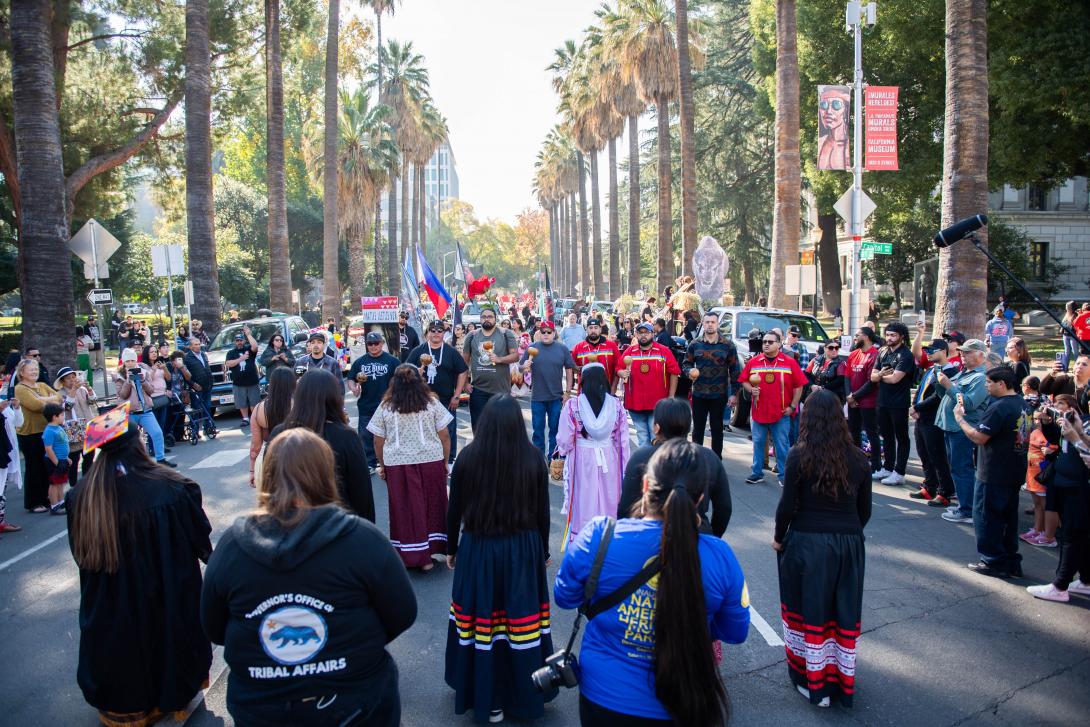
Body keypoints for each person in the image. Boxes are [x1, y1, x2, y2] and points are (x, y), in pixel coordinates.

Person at [201, 428, 416, 726]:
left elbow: (213, 626)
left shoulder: (233, 546)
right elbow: (401, 612)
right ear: (326, 474)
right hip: (355, 701)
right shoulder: (362, 539)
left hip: (262, 705)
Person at [554, 440, 750, 726]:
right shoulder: (720, 557)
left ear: (645, 486)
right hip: (684, 699)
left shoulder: (599, 536)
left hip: (604, 697)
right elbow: (735, 630)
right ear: (699, 500)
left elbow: (564, 596)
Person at [66, 416, 212, 727]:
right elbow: (200, 539)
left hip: (110, 596)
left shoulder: (81, 496)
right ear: (137, 443)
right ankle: (172, 695)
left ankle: (129, 705)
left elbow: (80, 555)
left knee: (124, 641)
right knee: (165, 636)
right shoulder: (171, 487)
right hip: (166, 586)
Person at [444, 395, 554, 724]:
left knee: (484, 627)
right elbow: (542, 513)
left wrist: (452, 548)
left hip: (479, 550)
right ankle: (523, 698)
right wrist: (544, 552)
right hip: (522, 550)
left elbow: (454, 510)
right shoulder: (533, 458)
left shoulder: (467, 458)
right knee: (519, 626)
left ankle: (488, 700)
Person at [774, 389, 872, 708]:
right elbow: (864, 510)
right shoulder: (859, 458)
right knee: (840, 611)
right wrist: (849, 534)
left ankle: (811, 681)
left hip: (807, 541)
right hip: (849, 543)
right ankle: (839, 680)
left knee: (807, 610)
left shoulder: (799, 455)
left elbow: (787, 505)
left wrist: (779, 536)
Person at [367, 365, 452, 570]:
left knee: (405, 508)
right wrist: (445, 461)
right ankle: (431, 551)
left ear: (393, 382)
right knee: (431, 504)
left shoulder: (386, 406)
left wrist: (382, 464)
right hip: (430, 459)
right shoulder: (431, 403)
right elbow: (445, 436)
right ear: (419, 381)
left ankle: (413, 554)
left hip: (398, 462)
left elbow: (378, 440)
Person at [952, 366, 1032, 578]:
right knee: (1008, 518)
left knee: (987, 517)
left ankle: (993, 560)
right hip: (1014, 469)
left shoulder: (1000, 407)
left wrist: (960, 419)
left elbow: (979, 437)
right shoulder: (1023, 404)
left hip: (994, 471)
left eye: (989, 382)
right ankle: (1010, 559)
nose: (986, 386)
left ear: (1002, 384)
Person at [271, 369, 375, 522]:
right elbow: (361, 492)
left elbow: (270, 485)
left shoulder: (279, 432)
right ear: (334, 398)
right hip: (337, 525)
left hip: (289, 525)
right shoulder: (346, 436)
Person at [618, 398, 732, 536]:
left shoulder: (641, 457)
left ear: (656, 427)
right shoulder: (709, 457)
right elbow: (724, 508)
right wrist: (712, 538)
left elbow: (625, 508)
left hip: (648, 535)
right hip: (698, 533)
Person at [557, 364, 631, 545]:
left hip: (582, 456)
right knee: (609, 495)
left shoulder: (573, 405)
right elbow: (623, 441)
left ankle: (583, 539)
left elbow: (565, 439)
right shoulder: (616, 406)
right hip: (608, 456)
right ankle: (608, 537)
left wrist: (562, 452)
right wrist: (625, 465)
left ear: (583, 381)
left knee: (584, 497)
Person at [1025, 410, 1090, 601]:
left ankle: (1060, 586)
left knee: (1072, 535)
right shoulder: (1084, 419)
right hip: (1070, 484)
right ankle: (1086, 580)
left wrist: (1076, 437)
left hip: (1080, 487)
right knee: (1080, 536)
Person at [739, 330, 807, 487]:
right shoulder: (754, 362)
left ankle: (784, 475)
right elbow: (744, 380)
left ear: (779, 344)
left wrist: (792, 406)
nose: (766, 344)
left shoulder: (789, 362)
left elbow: (799, 386)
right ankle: (757, 472)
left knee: (782, 446)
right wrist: (750, 389)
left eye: (770, 342)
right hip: (759, 412)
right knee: (758, 443)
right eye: (764, 342)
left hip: (781, 413)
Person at [936, 340, 991, 524]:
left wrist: (948, 385)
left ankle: (967, 510)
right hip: (952, 426)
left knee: (962, 469)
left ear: (981, 355)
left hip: (963, 428)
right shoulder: (965, 372)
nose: (963, 355)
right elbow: (945, 394)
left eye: (968, 353)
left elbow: (968, 403)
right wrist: (940, 382)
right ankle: (965, 505)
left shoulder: (981, 377)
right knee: (958, 468)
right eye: (962, 352)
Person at [406, 320, 469, 464]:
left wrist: (457, 395)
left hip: (446, 400)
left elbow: (463, 371)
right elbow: (406, 370)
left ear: (444, 333)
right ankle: (426, 459)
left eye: (439, 330)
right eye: (432, 330)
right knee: (423, 431)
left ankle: (450, 461)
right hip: (421, 400)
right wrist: (417, 372)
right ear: (427, 332)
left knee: (448, 432)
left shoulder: (450, 351)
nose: (436, 333)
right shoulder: (418, 350)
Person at [683, 311, 740, 459]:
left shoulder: (728, 345)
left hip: (719, 394)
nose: (710, 325)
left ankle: (716, 460)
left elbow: (735, 370)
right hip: (699, 393)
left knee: (717, 428)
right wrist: (689, 371)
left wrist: (734, 393)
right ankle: (697, 459)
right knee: (698, 429)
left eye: (712, 322)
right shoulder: (695, 344)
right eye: (707, 322)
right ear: (703, 323)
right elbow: (685, 363)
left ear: (717, 324)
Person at [908, 340, 957, 507]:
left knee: (937, 456)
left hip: (934, 418)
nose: (928, 353)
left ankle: (945, 491)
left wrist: (918, 407)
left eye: (932, 350)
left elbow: (938, 396)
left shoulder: (950, 371)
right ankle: (929, 486)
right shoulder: (930, 369)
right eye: (926, 350)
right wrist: (914, 405)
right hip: (922, 417)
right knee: (924, 453)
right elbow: (920, 389)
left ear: (943, 351)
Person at [616, 322, 681, 447]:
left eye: (646, 332)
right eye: (640, 333)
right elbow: (618, 368)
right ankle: (646, 465)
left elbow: (674, 372)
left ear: (653, 334)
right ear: (636, 335)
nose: (643, 335)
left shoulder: (663, 351)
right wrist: (622, 372)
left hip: (658, 404)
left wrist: (671, 396)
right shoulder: (630, 351)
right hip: (635, 402)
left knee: (655, 436)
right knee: (642, 437)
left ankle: (655, 464)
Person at [519, 320, 575, 461]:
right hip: (537, 397)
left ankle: (553, 459)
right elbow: (520, 369)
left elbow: (569, 369)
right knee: (537, 431)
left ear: (554, 333)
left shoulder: (562, 349)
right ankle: (538, 460)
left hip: (556, 397)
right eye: (542, 331)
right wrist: (524, 366)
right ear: (539, 333)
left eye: (548, 331)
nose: (545, 334)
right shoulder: (532, 348)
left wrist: (568, 392)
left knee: (555, 430)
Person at [14, 357, 62, 512]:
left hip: (46, 431)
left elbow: (60, 398)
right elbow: (37, 406)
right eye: (31, 369)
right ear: (21, 372)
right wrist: (49, 400)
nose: (35, 372)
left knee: (46, 466)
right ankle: (34, 502)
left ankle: (47, 498)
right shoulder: (20, 389)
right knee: (34, 467)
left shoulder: (41, 385)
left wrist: (43, 398)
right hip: (30, 433)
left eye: (36, 369)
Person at [871, 322, 916, 486]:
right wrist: (882, 375)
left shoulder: (905, 355)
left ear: (901, 336)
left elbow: (895, 378)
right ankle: (888, 467)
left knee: (901, 438)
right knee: (887, 436)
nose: (889, 338)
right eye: (888, 335)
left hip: (899, 403)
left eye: (893, 335)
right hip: (882, 401)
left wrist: (880, 375)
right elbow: (872, 377)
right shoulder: (882, 352)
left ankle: (899, 472)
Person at [349, 332, 400, 471]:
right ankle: (369, 463)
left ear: (382, 344)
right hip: (366, 404)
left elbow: (401, 378)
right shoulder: (360, 361)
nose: (373, 346)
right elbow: (351, 378)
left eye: (376, 343)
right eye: (370, 344)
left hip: (387, 405)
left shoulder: (393, 361)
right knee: (366, 436)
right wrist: (354, 388)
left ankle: (388, 462)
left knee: (390, 434)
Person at [115, 348, 175, 467]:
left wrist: (142, 381)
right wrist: (128, 381)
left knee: (157, 433)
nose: (131, 363)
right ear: (124, 362)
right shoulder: (119, 376)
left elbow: (151, 390)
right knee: (133, 440)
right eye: (128, 361)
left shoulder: (144, 371)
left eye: (133, 360)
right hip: (130, 412)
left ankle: (161, 458)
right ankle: (133, 464)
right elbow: (122, 395)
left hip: (145, 410)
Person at [462, 308, 519, 431]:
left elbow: (515, 356)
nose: (486, 319)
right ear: (480, 319)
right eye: (483, 317)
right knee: (478, 428)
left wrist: (500, 359)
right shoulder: (472, 336)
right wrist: (465, 383)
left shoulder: (505, 334)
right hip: (478, 390)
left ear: (495, 318)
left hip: (501, 390)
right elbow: (464, 361)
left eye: (490, 316)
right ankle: (480, 451)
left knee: (502, 429)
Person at [248, 367, 296, 488]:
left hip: (270, 460)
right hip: (297, 458)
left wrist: (252, 471)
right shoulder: (299, 405)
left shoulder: (258, 409)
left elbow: (255, 447)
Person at [845, 328, 882, 473]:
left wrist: (855, 396)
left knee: (872, 433)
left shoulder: (875, 355)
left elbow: (871, 382)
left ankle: (876, 465)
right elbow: (847, 377)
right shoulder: (853, 354)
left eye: (857, 335)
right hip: (852, 401)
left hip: (869, 402)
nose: (855, 338)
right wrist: (849, 396)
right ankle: (856, 462)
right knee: (854, 432)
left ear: (866, 337)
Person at [55, 367, 97, 485]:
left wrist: (89, 388)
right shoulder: (59, 394)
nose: (72, 380)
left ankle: (87, 483)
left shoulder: (82, 389)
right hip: (72, 429)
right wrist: (73, 390)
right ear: (62, 381)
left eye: (74, 377)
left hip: (88, 427)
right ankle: (73, 486)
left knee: (89, 457)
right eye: (68, 378)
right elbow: (67, 407)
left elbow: (93, 401)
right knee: (73, 460)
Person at [572, 316, 621, 390]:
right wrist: (579, 369)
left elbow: (618, 367)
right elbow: (572, 367)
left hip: (606, 391)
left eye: (596, 328)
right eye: (590, 328)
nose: (593, 330)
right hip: (584, 392)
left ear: (600, 329)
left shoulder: (611, 346)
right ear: (587, 330)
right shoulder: (578, 347)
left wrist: (613, 387)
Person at [225, 327, 260, 427]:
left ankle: (254, 418)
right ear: (234, 342)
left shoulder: (249, 349)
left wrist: (248, 334)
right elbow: (228, 363)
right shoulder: (231, 353)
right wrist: (241, 359)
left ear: (244, 341)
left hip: (252, 381)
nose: (239, 342)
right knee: (241, 402)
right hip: (238, 382)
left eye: (241, 340)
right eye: (237, 341)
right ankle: (245, 419)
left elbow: (255, 346)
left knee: (254, 401)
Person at [0, 395, 23, 535]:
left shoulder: (3, 403)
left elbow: (19, 423)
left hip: (6, 452)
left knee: (2, 488)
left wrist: (17, 407)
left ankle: (1, 521)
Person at [42, 403, 71, 515]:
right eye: (62, 415)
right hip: (54, 461)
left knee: (61, 482)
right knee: (54, 484)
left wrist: (66, 458)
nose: (64, 417)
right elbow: (48, 449)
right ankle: (54, 506)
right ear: (54, 417)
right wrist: (57, 463)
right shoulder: (49, 431)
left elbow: (62, 444)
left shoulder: (58, 427)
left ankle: (61, 502)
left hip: (61, 460)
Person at [183, 337, 214, 424]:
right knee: (196, 410)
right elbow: (186, 375)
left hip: (207, 385)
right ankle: (195, 430)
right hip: (197, 388)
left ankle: (208, 427)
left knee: (207, 407)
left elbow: (207, 368)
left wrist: (211, 382)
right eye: (195, 344)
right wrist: (193, 384)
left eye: (199, 344)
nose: (198, 346)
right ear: (190, 347)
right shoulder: (187, 358)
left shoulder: (203, 354)